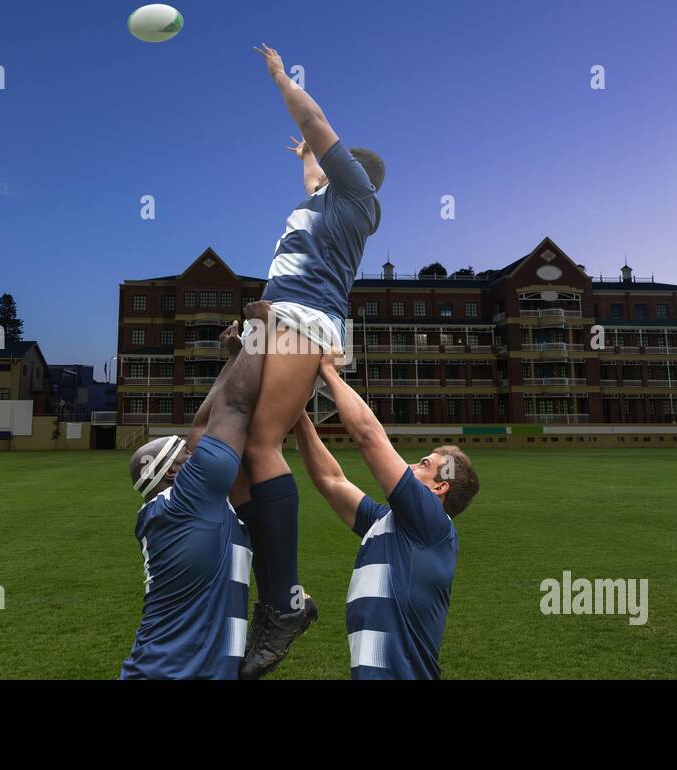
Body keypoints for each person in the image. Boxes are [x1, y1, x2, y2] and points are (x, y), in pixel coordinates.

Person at [236, 43, 386, 679]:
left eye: (328, 164)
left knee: (264, 444)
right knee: (231, 446)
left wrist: (278, 76)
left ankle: (284, 601)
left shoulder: (356, 200)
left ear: (350, 172)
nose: (320, 166)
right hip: (272, 314)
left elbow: (318, 126)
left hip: (303, 318)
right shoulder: (321, 198)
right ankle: (249, 577)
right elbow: (313, 162)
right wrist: (303, 160)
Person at [291, 350, 480, 679]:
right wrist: (295, 410)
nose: (408, 466)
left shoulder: (431, 525)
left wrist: (328, 370)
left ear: (439, 490)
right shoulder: (386, 522)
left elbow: (368, 436)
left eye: (423, 465)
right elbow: (330, 480)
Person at [119, 320, 265, 679]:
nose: (196, 452)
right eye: (187, 453)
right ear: (172, 473)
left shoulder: (177, 506)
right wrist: (263, 330)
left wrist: (233, 358)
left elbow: (200, 427)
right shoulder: (189, 499)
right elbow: (233, 407)